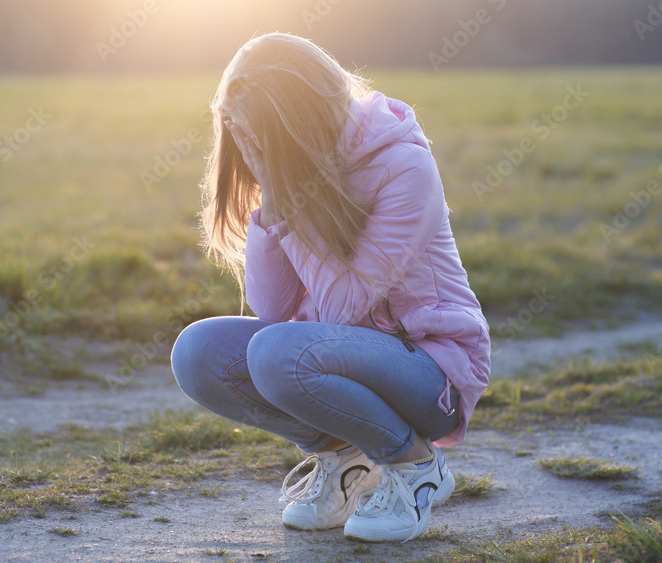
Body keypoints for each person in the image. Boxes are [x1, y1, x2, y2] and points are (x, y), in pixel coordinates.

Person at [170, 32, 490, 543]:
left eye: (263, 138)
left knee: (278, 354)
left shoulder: (405, 167)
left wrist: (288, 199)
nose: (256, 154)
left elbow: (340, 308)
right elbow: (272, 309)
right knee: (197, 353)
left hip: (432, 372)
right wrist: (274, 204)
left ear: (299, 120)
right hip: (340, 356)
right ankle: (347, 459)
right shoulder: (294, 172)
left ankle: (415, 466)